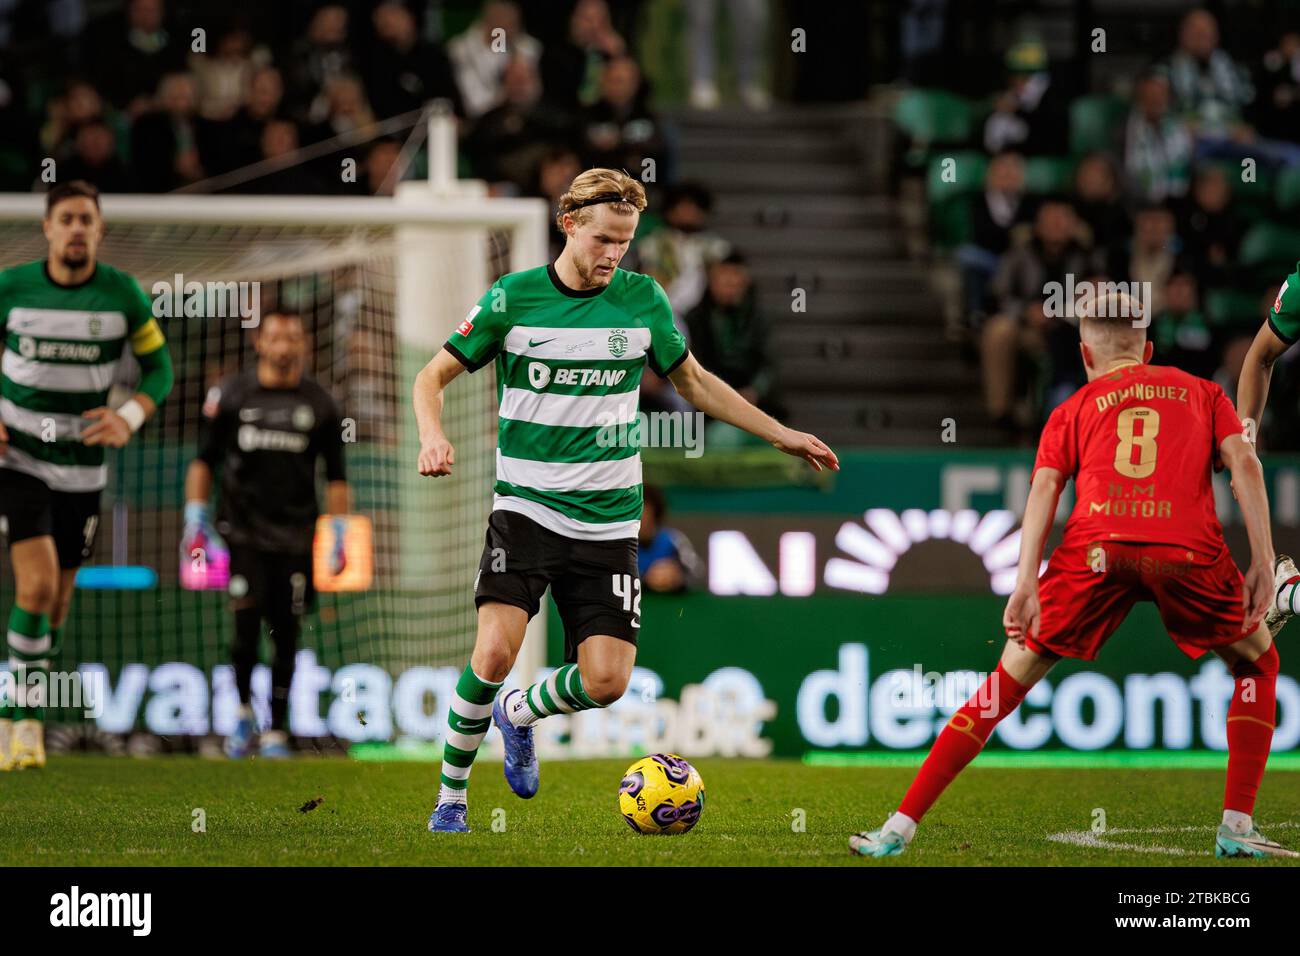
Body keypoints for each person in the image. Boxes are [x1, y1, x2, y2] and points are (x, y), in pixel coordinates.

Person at [413, 167, 838, 832]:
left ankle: (518, 713)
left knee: (606, 682)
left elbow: (694, 384)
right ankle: (452, 798)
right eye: (604, 239)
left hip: (610, 521)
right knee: (494, 653)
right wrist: (431, 433)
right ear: (570, 225)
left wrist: (779, 433)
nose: (614, 253)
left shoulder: (643, 300)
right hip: (524, 507)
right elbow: (430, 376)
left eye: (626, 240)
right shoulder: (512, 299)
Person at [852, 290, 1297, 860]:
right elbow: (1244, 464)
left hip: (1096, 552)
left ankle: (898, 828)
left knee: (999, 691)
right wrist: (1262, 560)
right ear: (1151, 348)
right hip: (1185, 551)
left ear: (1085, 355)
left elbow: (1044, 488)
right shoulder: (1203, 391)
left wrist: (1025, 580)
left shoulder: (1075, 407)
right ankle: (1237, 826)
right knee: (1258, 663)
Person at [0, 180, 173, 770]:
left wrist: (128, 415)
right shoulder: (10, 287)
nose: (76, 228)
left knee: (57, 604)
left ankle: (21, 703)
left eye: (86, 220)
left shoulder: (122, 295)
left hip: (83, 469)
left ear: (99, 230)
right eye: (66, 218)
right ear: (47, 228)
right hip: (17, 457)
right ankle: (19, 722)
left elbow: (160, 371)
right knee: (37, 586)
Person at [183, 312, 350, 759]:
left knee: (287, 634)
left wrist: (338, 534)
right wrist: (194, 517)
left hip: (296, 537)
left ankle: (276, 729)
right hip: (240, 534)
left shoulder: (321, 403)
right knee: (243, 625)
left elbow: (336, 476)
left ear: (304, 344)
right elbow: (204, 460)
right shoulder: (232, 395)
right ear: (260, 341)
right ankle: (240, 713)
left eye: (293, 336)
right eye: (275, 335)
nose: (284, 343)